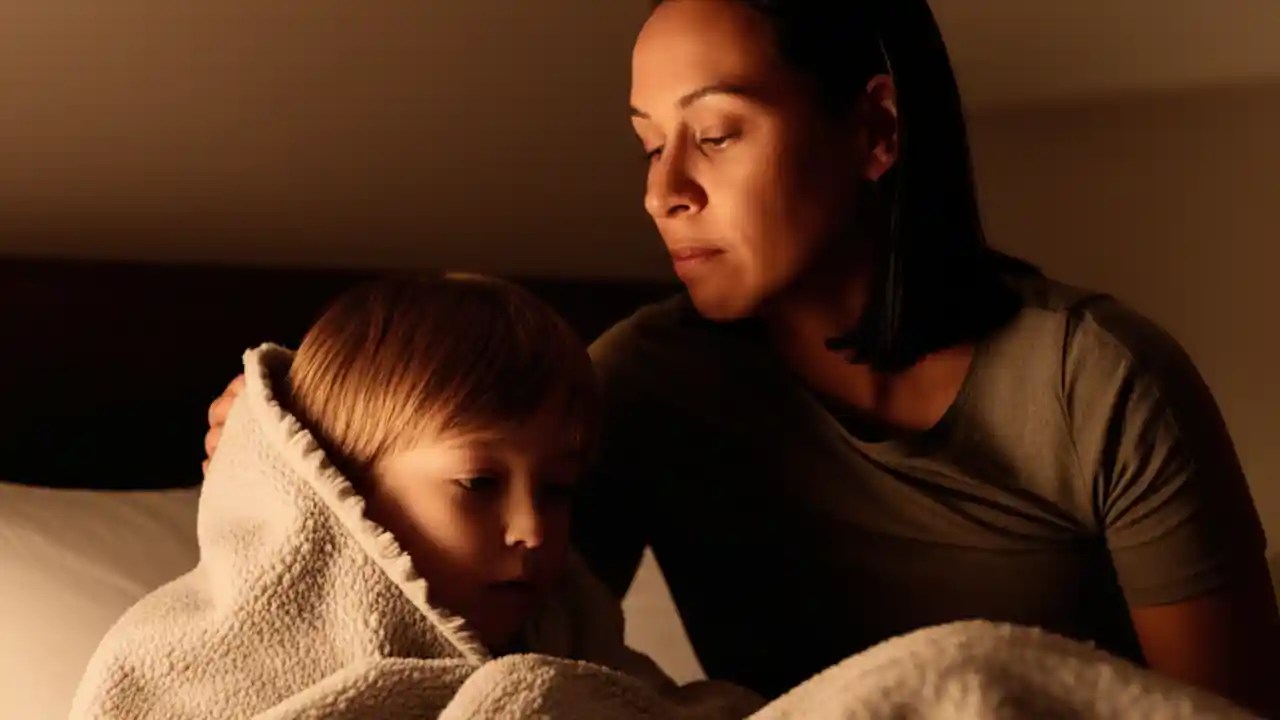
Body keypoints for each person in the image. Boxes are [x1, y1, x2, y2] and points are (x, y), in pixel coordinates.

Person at [204, 0, 1280, 714]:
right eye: (645, 141)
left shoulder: (1096, 382)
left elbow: (1217, 717)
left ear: (874, 131)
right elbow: (479, 641)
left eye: (713, 134)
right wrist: (296, 435)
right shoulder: (636, 388)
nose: (660, 188)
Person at [79, 274, 763, 719]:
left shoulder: (568, 633)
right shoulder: (182, 662)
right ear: (345, 489)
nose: (531, 528)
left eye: (557, 490)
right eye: (478, 484)